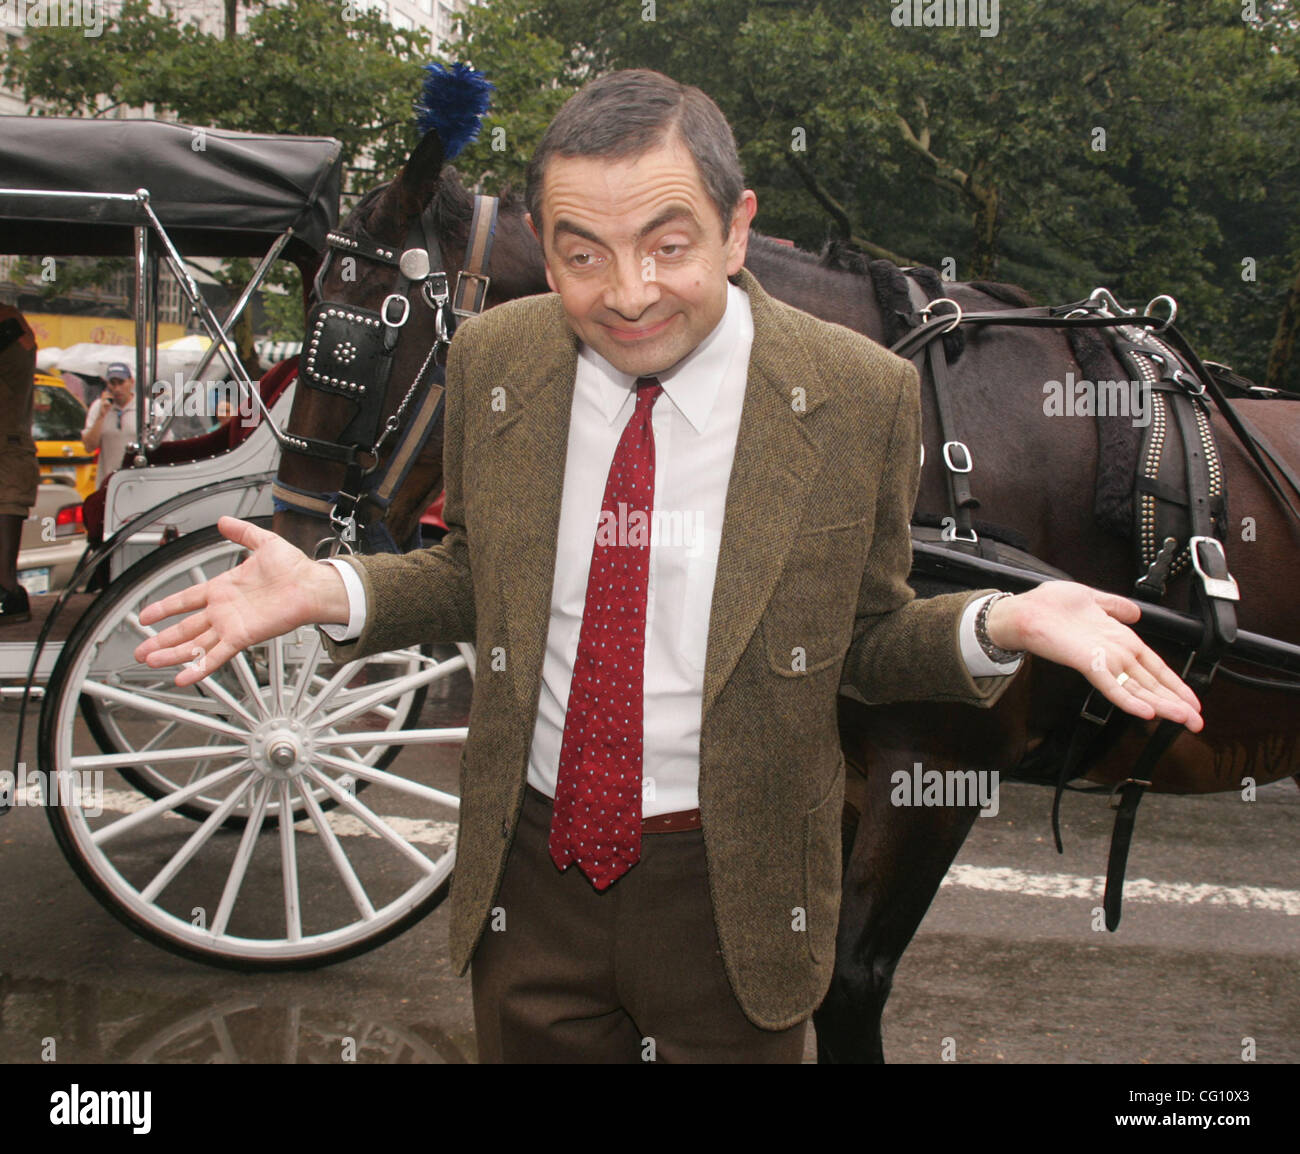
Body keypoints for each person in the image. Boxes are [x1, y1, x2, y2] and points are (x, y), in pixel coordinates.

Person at [134, 70, 1203, 1063]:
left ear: (736, 230)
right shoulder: (496, 360)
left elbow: (865, 637)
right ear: (543, 253)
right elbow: (477, 577)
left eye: (667, 243)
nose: (628, 292)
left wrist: (1002, 623)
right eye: (582, 252)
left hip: (735, 894)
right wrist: (333, 588)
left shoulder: (859, 393)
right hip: (532, 881)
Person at [0, 302, 40, 624]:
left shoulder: (9, 323)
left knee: (7, 502)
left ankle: (5, 590)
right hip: (11, 445)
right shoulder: (12, 320)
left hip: (7, 446)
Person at [81, 361, 137, 475]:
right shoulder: (98, 407)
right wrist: (101, 416)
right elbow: (89, 447)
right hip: (108, 479)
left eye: (121, 383)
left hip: (137, 478)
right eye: (113, 383)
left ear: (131, 382)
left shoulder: (146, 407)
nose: (117, 389)